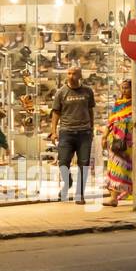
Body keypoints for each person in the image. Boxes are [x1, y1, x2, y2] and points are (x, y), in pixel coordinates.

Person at [50, 66, 96, 204]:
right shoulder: (61, 92)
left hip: (84, 132)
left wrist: (91, 127)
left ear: (80, 75)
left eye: (74, 73)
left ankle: (79, 194)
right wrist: (53, 131)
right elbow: (56, 112)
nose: (70, 76)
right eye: (69, 73)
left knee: (84, 164)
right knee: (63, 162)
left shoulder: (88, 91)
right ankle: (68, 182)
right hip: (66, 132)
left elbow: (90, 110)